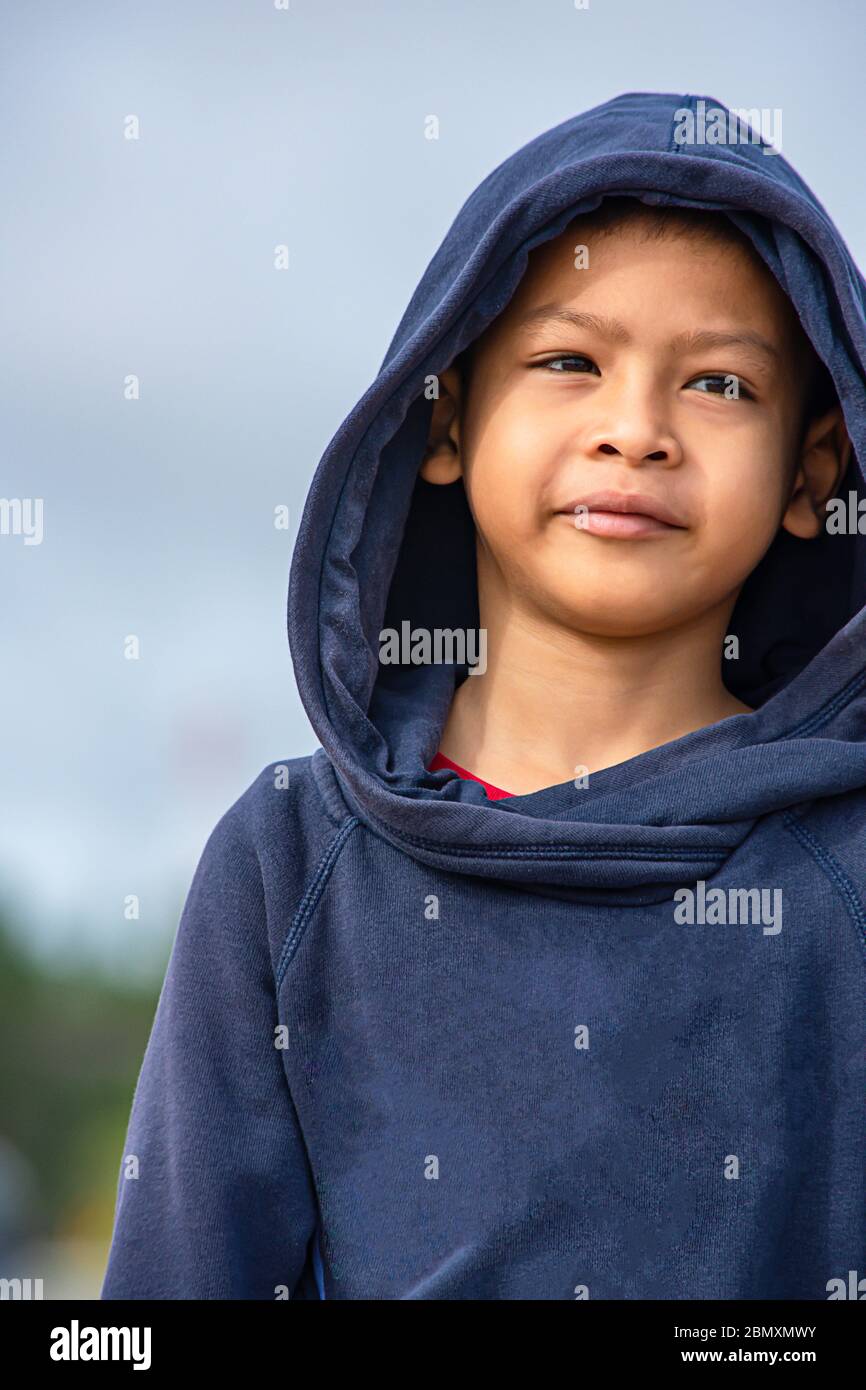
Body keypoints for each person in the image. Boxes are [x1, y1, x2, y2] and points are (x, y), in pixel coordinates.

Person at [102, 92, 866, 1301]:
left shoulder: (845, 870)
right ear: (446, 414)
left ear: (810, 469)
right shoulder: (288, 863)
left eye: (717, 384)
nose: (635, 430)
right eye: (568, 361)